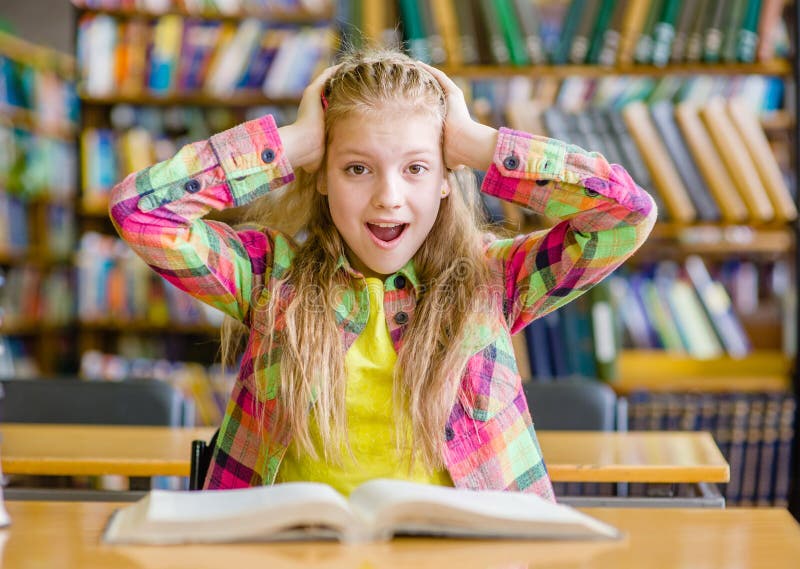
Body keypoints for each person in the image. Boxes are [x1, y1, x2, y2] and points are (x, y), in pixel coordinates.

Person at [109, 49, 656, 501]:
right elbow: (140, 213)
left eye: (416, 168)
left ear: (446, 179)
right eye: (356, 168)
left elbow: (624, 217)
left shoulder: (495, 279)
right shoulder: (269, 277)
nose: (388, 197)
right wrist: (291, 144)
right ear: (321, 176)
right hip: (284, 554)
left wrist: (481, 147)